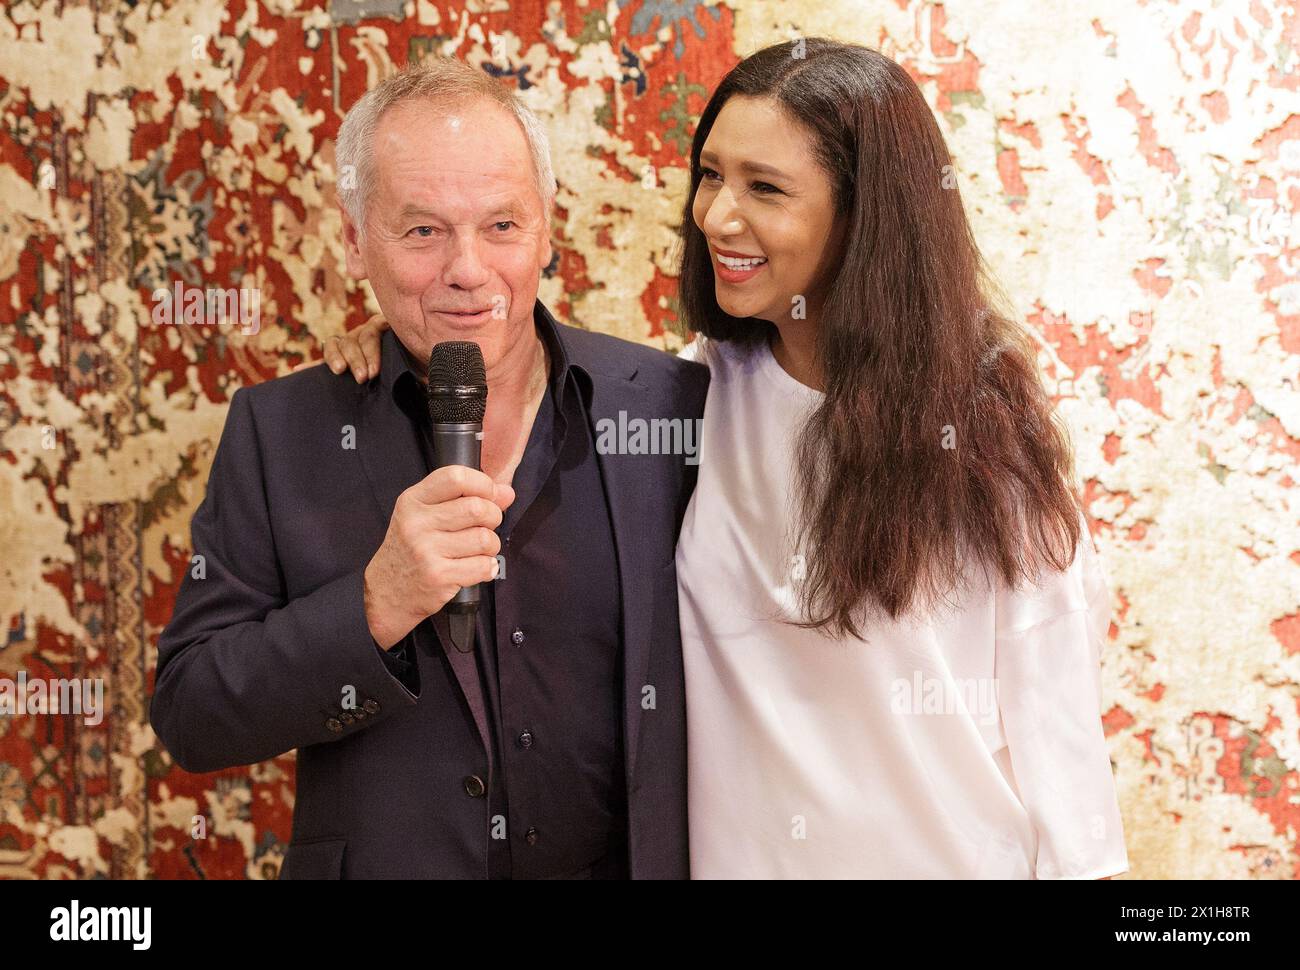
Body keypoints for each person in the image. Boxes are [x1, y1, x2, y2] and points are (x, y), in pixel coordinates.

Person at [324, 39, 1129, 879]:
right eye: (711, 175)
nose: (716, 215)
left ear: (864, 214)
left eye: (766, 189)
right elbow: (521, 342)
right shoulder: (700, 393)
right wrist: (407, 337)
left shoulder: (985, 439)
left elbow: (1069, 782)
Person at [150, 59, 708, 880]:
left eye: (501, 227)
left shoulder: (668, 407)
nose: (468, 270)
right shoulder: (283, 431)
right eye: (422, 231)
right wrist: (375, 605)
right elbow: (193, 713)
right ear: (354, 238)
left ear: (547, 227)